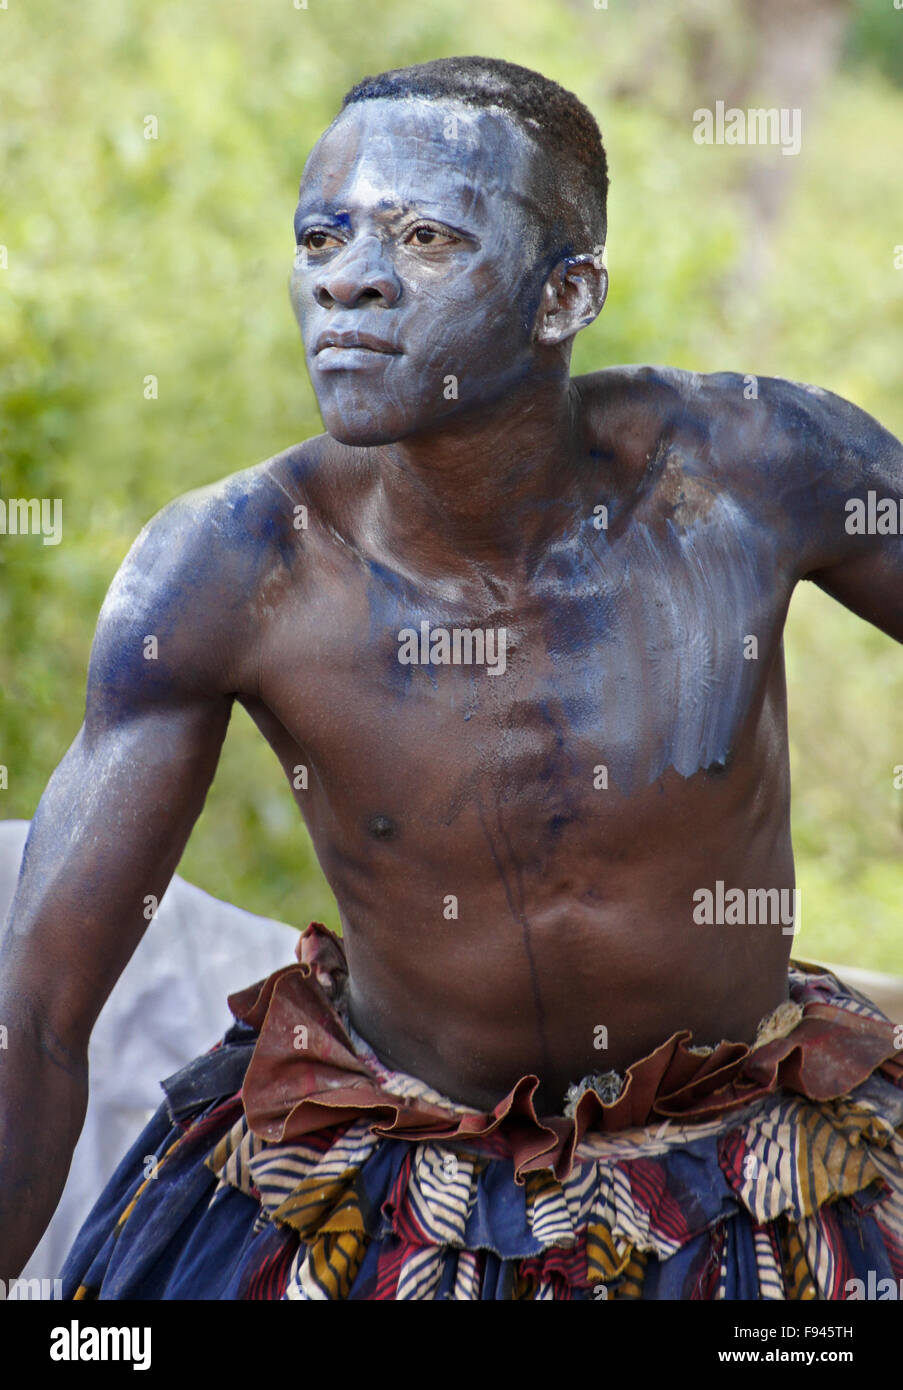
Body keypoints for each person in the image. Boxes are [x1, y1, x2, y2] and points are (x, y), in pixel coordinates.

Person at [1, 56, 901, 1301]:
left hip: (751, 1161)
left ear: (565, 293)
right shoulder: (232, 571)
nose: (347, 276)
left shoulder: (756, 470)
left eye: (424, 235)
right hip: (384, 1177)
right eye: (322, 233)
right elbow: (37, 1018)